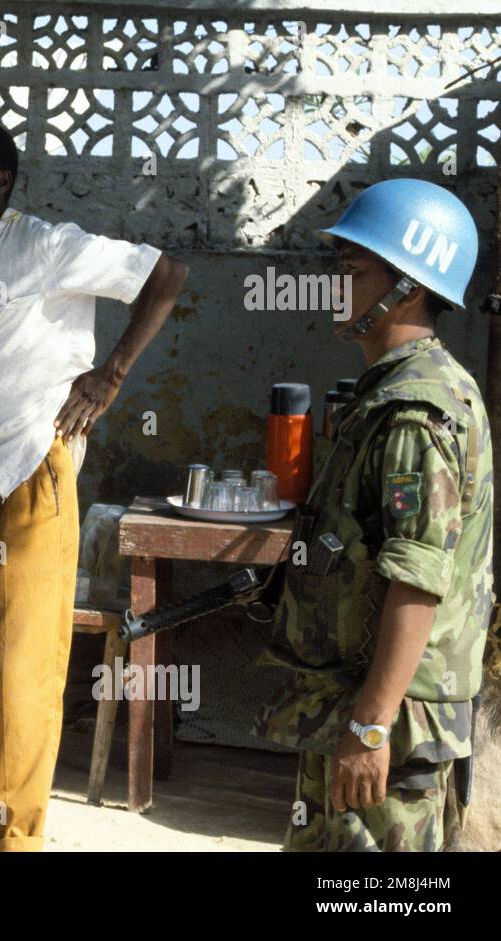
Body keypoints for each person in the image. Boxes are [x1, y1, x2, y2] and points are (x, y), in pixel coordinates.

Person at [0, 119, 188, 852]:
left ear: (1, 180)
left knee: (18, 676)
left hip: (32, 472)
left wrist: (111, 374)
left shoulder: (44, 243)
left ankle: (15, 842)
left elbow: (167, 272)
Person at [255, 178, 493, 852]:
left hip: (387, 729)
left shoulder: (415, 411)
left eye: (352, 270)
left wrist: (369, 725)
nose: (335, 284)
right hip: (357, 713)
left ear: (407, 288)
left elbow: (417, 581)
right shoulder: (394, 393)